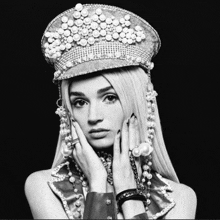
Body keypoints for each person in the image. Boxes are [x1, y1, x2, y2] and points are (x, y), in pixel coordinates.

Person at [25, 3, 197, 219]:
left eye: (109, 97)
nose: (93, 116)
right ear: (67, 111)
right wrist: (98, 180)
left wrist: (129, 193)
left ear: (136, 102)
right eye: (79, 102)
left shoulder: (180, 197)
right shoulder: (44, 186)